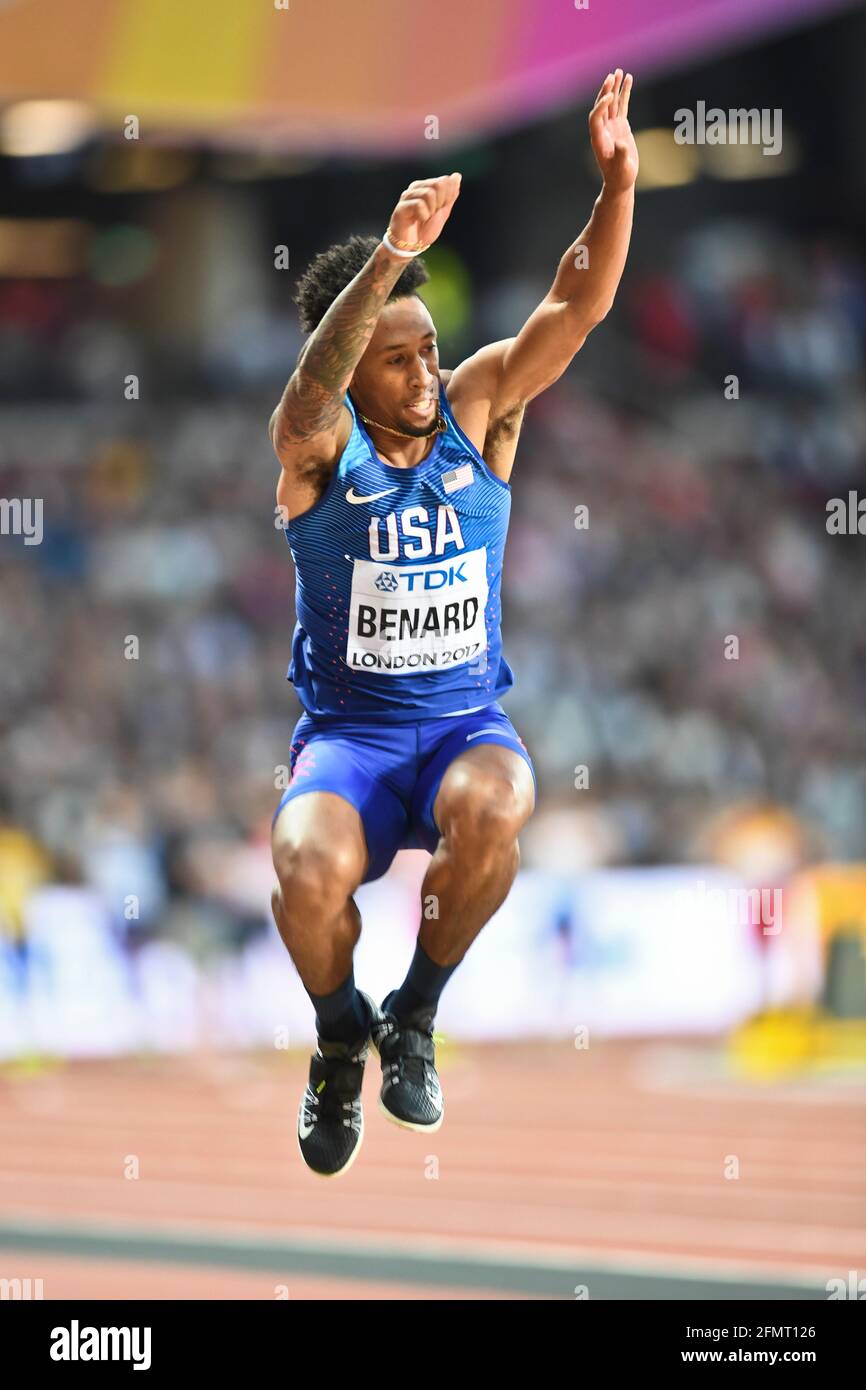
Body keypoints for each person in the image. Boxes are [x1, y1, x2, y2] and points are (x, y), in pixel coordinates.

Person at [269, 70, 638, 1176]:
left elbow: (574, 306)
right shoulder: (314, 453)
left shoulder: (479, 409)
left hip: (460, 722)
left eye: (428, 345)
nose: (425, 369)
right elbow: (304, 398)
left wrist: (615, 185)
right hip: (351, 740)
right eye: (398, 356)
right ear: (355, 378)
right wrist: (384, 257)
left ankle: (412, 1015)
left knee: (501, 800)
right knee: (300, 865)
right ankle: (340, 1036)